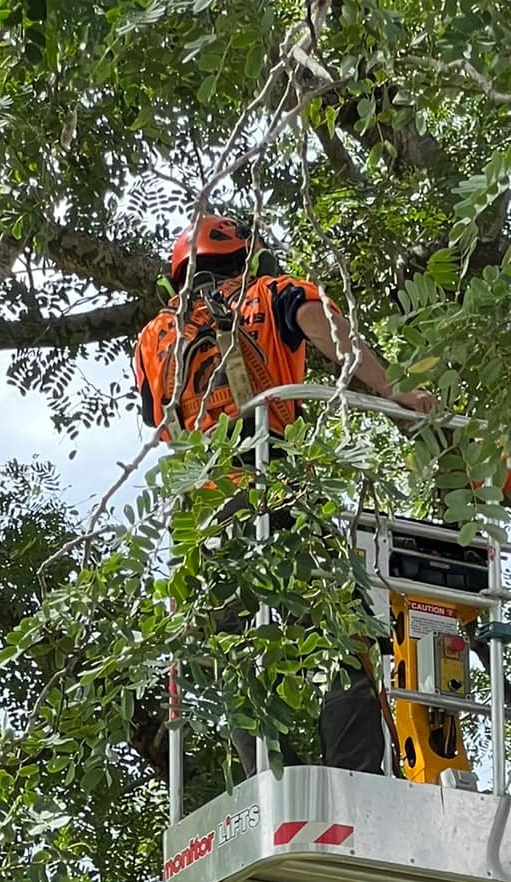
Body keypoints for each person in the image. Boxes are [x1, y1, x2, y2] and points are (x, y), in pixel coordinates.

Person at [133, 213, 434, 775]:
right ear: (247, 257)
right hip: (275, 486)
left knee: (234, 657)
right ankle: (355, 777)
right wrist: (398, 393)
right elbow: (330, 334)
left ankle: (270, 783)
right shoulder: (272, 293)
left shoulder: (153, 337)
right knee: (340, 630)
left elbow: (161, 424)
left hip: (203, 511)